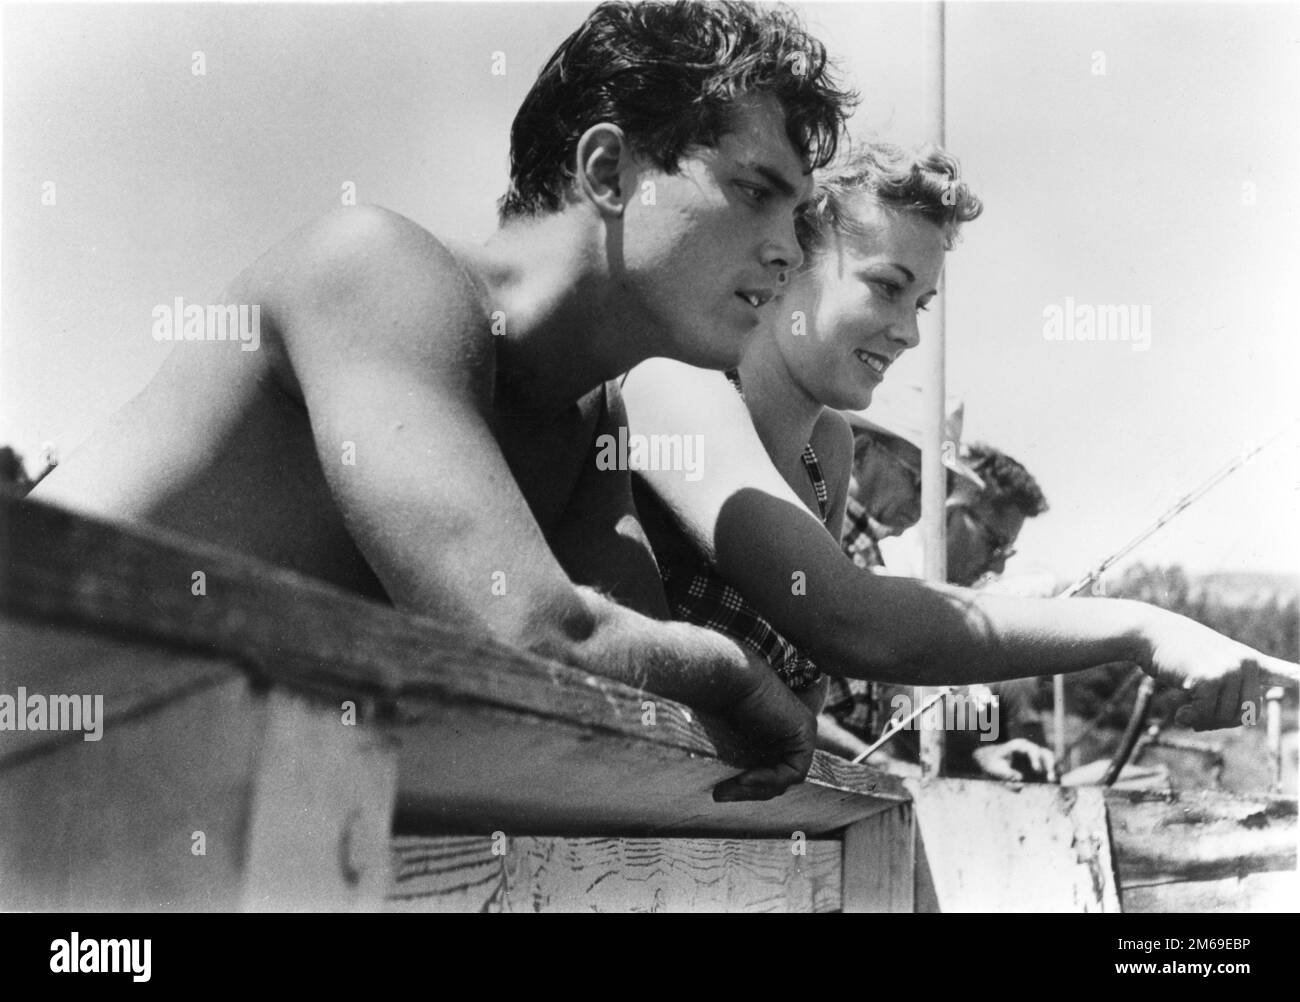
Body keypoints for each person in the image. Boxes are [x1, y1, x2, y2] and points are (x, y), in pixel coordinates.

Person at [30, 1, 857, 802]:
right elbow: (530, 633)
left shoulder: (590, 412)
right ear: (609, 173)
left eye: (799, 214)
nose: (789, 251)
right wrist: (738, 676)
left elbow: (626, 680)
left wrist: (709, 675)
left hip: (113, 791)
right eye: (756, 191)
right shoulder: (378, 269)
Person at [622, 140, 1296, 764]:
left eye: (923, 302)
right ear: (788, 261)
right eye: (888, 286)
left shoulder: (826, 449)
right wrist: (1140, 627)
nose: (910, 332)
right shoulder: (678, 385)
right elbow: (842, 619)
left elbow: (811, 686)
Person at [822, 432, 1058, 781]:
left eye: (1006, 553)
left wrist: (977, 755)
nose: (997, 568)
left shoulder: (868, 554)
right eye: (994, 544)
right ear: (946, 512)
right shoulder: (848, 556)